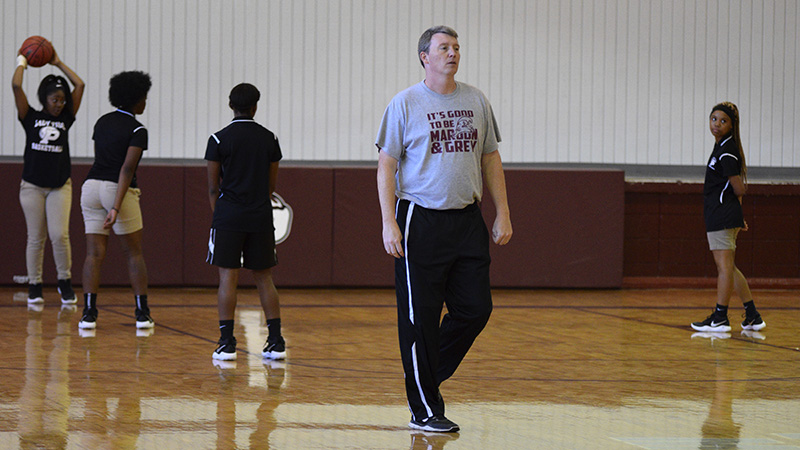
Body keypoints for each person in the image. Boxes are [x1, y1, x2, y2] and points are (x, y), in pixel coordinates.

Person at [376, 25, 512, 433]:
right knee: (420, 319)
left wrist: (502, 211)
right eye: (443, 48)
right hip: (420, 219)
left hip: (467, 219)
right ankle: (424, 410)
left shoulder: (476, 100)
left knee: (475, 309)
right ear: (425, 56)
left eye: (456, 47)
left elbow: (491, 158)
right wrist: (388, 222)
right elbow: (386, 166)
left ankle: (426, 376)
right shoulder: (404, 104)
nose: (452, 53)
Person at [206, 83, 286, 361]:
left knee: (228, 277)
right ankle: (275, 340)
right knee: (264, 277)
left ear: (231, 105)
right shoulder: (269, 138)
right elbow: (270, 184)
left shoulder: (218, 140)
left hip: (228, 214)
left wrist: (222, 215)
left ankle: (226, 342)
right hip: (260, 215)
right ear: (255, 106)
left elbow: (213, 188)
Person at [78, 71, 154, 330]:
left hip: (89, 187)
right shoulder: (137, 129)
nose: (146, 102)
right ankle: (142, 313)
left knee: (94, 254)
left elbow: (101, 160)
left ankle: (88, 313)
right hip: (116, 189)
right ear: (136, 100)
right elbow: (126, 169)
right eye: (144, 97)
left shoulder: (101, 122)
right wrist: (116, 206)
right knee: (133, 253)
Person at [12, 47, 85, 305]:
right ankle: (35, 285)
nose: (59, 104)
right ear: (45, 99)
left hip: (59, 186)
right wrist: (22, 62)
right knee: (36, 238)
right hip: (31, 186)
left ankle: (64, 282)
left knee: (59, 235)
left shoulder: (66, 117)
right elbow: (16, 86)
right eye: (55, 99)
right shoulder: (29, 116)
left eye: (62, 100)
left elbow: (80, 83)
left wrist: (57, 62)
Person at [691, 102, 765, 333]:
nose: (717, 124)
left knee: (724, 268)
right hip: (723, 215)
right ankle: (752, 315)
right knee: (730, 268)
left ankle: (720, 318)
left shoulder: (726, 151)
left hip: (721, 215)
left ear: (732, 125)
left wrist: (734, 211)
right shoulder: (723, 147)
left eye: (723, 121)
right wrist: (738, 215)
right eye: (714, 119)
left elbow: (739, 188)